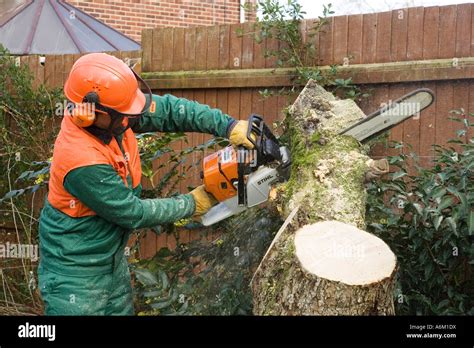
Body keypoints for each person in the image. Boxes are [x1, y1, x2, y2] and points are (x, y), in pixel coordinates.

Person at [38, 52, 254, 315]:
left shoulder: (113, 116)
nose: (130, 120)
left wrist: (228, 125)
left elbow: (172, 111)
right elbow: (132, 213)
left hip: (111, 260)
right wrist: (193, 203)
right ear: (92, 113)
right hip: (75, 271)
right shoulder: (81, 160)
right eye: (123, 116)